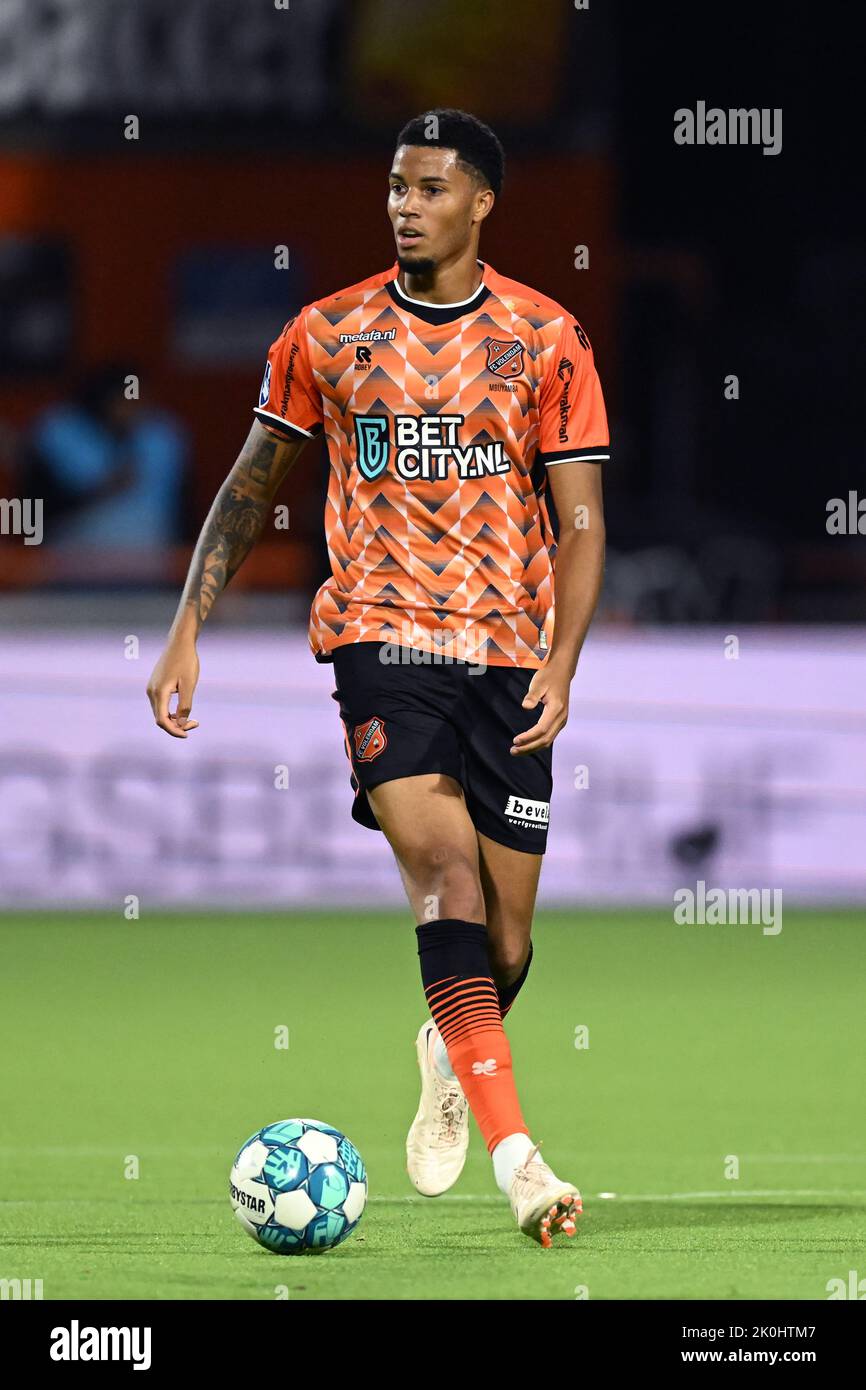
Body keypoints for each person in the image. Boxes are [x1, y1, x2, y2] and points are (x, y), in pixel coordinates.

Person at [147, 108, 609, 1247]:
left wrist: (560, 659)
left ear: (481, 203)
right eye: (396, 186)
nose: (405, 204)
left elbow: (583, 521)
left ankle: (447, 1045)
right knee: (444, 879)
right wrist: (186, 625)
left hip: (509, 655)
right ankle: (521, 1162)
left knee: (503, 947)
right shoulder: (327, 332)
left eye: (430, 188)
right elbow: (252, 483)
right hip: (382, 643)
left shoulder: (547, 338)